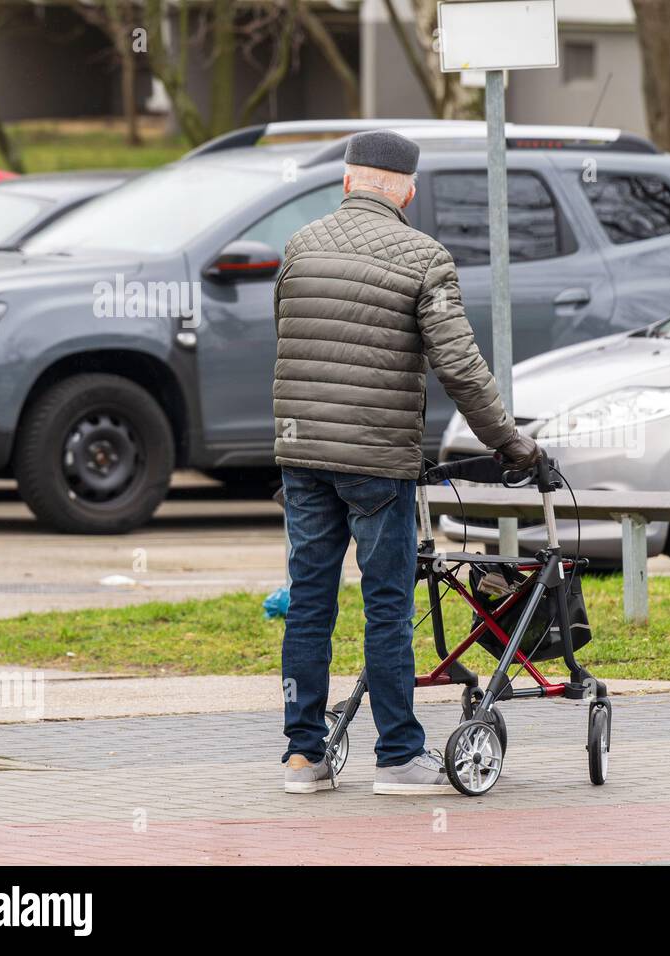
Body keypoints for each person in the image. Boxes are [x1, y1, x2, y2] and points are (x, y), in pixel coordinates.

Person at [273, 129, 540, 794]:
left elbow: (287, 333)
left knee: (309, 601)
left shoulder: (300, 246)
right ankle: (397, 755)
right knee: (386, 604)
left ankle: (304, 758)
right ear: (408, 192)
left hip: (301, 453)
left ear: (345, 183)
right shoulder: (425, 258)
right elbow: (459, 365)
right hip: (375, 459)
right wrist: (511, 442)